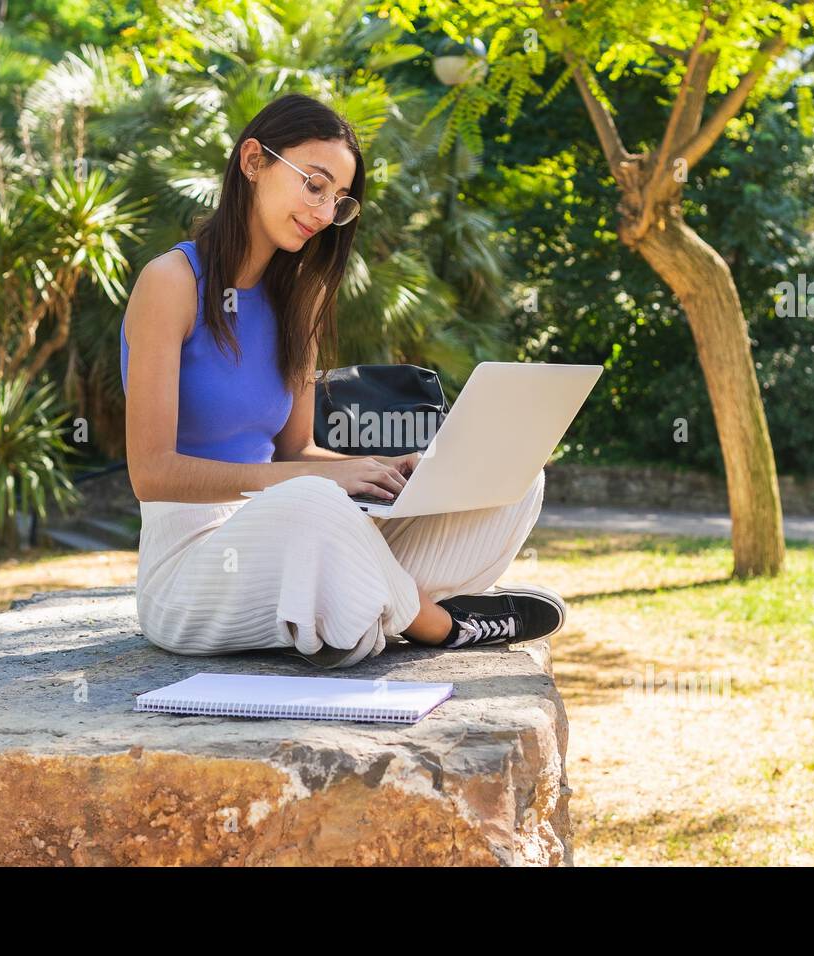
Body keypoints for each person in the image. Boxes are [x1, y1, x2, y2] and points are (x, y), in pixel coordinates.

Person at [120, 92, 566, 669]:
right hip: (192, 568)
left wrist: (392, 469)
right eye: (314, 183)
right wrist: (310, 482)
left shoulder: (297, 300)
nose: (325, 212)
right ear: (253, 161)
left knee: (513, 477)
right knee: (311, 499)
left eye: (339, 199)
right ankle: (437, 623)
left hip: (303, 535)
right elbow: (151, 475)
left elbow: (297, 449)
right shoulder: (171, 282)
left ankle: (354, 615)